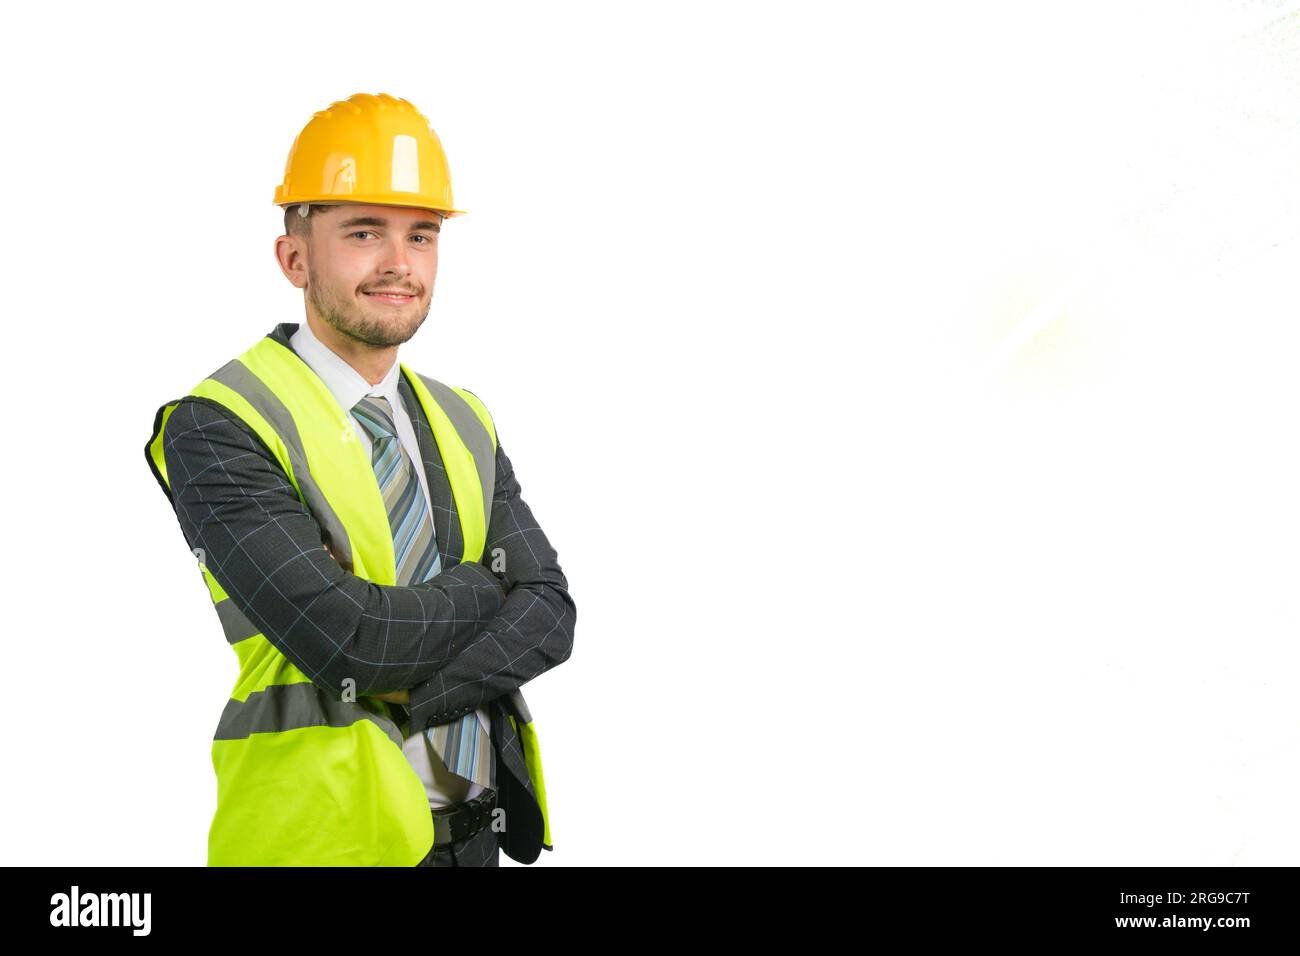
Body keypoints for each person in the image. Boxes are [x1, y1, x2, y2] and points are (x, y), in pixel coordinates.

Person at [143, 92, 575, 867]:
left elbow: (551, 611)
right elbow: (355, 644)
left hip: (475, 837)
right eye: (363, 232)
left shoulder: (463, 417)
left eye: (422, 235)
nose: (398, 264)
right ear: (294, 257)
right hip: (320, 842)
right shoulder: (221, 423)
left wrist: (420, 688)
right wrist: (484, 589)